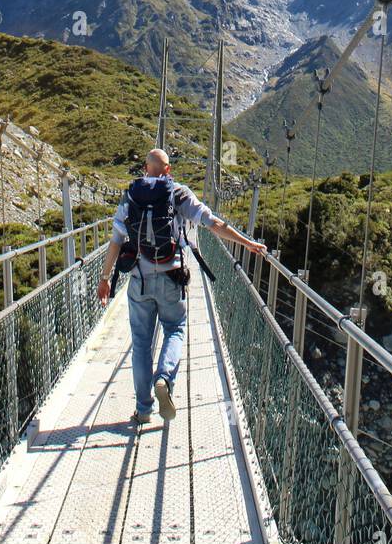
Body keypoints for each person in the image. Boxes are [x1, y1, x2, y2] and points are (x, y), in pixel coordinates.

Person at [98, 147, 266, 425]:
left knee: (140, 344)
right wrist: (248, 243)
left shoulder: (130, 195)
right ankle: (164, 377)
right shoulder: (178, 192)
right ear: (168, 171)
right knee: (175, 329)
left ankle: (143, 410)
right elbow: (213, 223)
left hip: (139, 280)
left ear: (144, 168)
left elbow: (116, 240)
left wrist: (105, 279)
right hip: (172, 278)